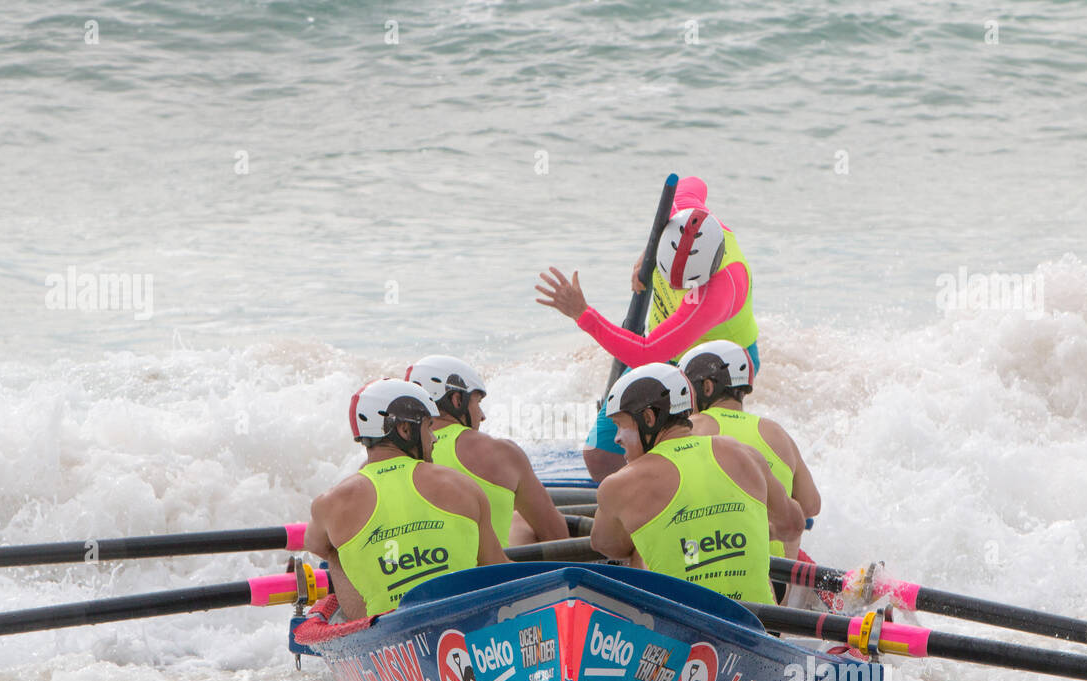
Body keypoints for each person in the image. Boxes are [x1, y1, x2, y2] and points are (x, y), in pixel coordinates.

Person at [535, 176, 760, 483]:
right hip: (664, 347)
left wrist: (582, 314)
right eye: (667, 273)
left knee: (684, 453)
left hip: (717, 369)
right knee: (600, 454)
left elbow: (646, 353)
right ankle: (635, 505)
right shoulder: (681, 208)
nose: (675, 287)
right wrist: (647, 254)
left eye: (687, 283)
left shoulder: (720, 291)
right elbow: (693, 182)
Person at [588, 363, 804, 606]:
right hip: (762, 625)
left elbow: (606, 545)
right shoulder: (744, 453)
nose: (616, 438)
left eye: (621, 425)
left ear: (648, 418)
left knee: (638, 545)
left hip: (684, 632)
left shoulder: (618, 484)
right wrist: (744, 529)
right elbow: (794, 525)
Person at [305, 379, 508, 620]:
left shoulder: (330, 503)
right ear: (404, 429)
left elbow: (315, 545)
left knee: (334, 552)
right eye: (428, 428)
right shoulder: (461, 485)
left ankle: (363, 622)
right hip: (463, 625)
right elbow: (497, 568)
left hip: (387, 642)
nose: (434, 439)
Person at [679, 339, 821, 568]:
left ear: (706, 387)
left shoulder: (690, 428)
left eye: (686, 390)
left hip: (701, 569)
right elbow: (811, 505)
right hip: (775, 583)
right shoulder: (777, 432)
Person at [405, 355, 569, 547]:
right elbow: (556, 536)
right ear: (457, 400)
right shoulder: (499, 452)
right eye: (477, 403)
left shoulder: (381, 462)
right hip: (493, 574)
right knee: (520, 520)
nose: (482, 416)